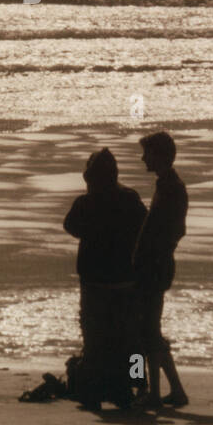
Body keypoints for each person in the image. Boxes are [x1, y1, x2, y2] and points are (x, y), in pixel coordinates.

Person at [63, 148, 147, 411]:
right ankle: (135, 385)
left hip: (95, 280)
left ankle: (92, 390)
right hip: (125, 280)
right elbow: (144, 230)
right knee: (130, 339)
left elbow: (71, 227)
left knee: (94, 338)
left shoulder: (85, 203)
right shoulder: (130, 198)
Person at [132, 132, 189, 409]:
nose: (143, 158)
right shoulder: (169, 185)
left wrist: (148, 259)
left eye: (147, 153)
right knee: (149, 330)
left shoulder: (170, 188)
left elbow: (169, 231)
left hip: (153, 267)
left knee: (145, 332)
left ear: (160, 156)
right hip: (157, 265)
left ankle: (149, 391)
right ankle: (173, 389)